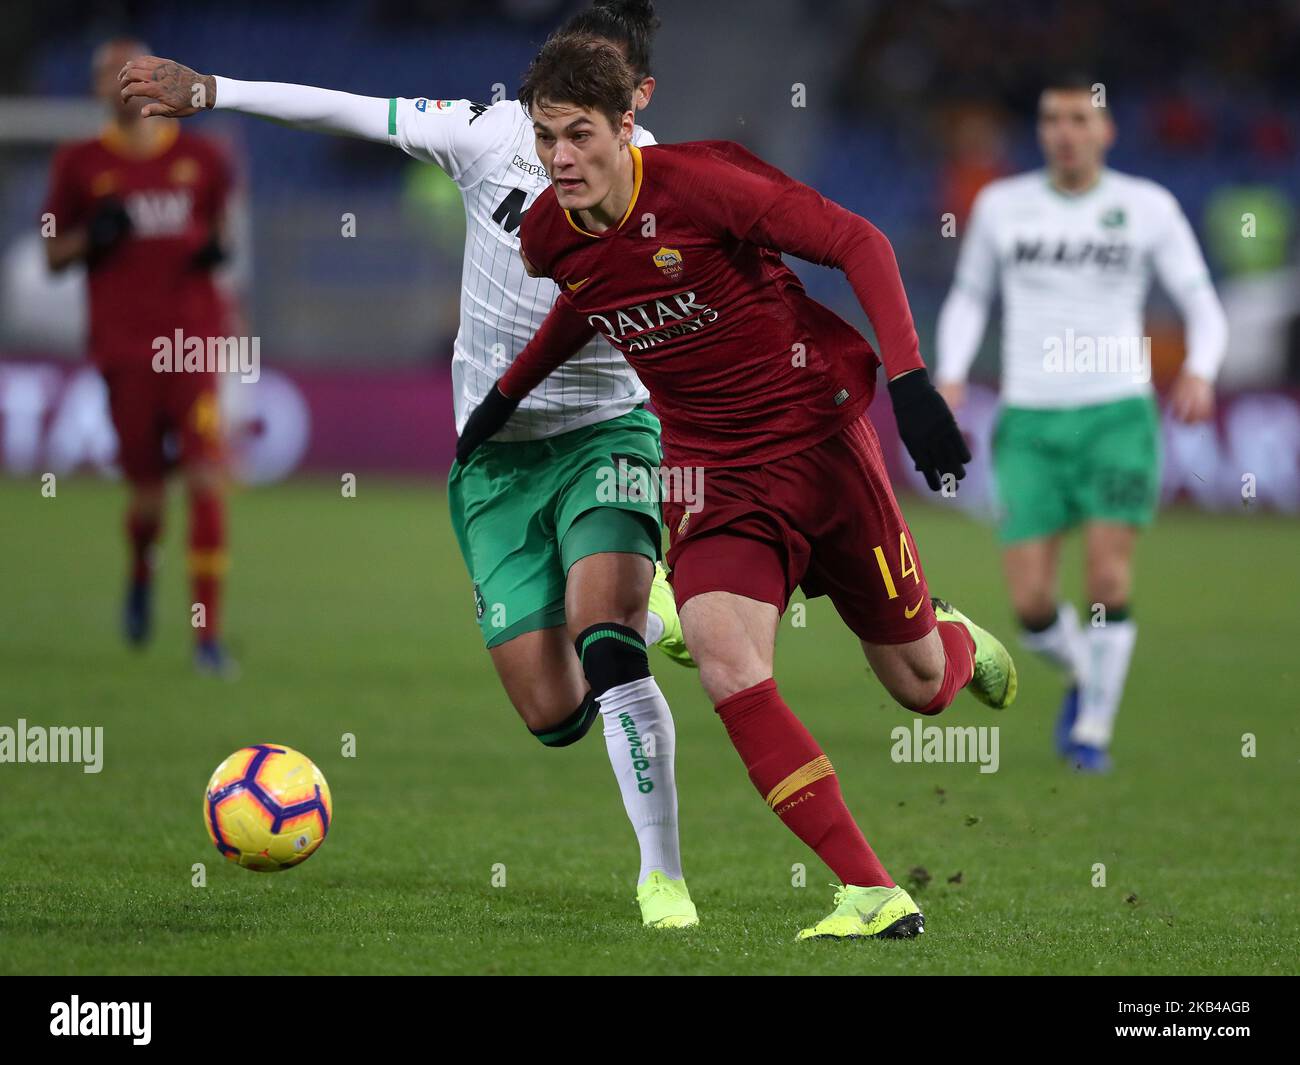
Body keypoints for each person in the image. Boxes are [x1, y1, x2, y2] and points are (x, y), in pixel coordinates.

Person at [119, 2, 699, 928]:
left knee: (610, 637)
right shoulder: (483, 137)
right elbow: (347, 107)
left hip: (607, 434)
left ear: (631, 106)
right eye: (550, 116)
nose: (562, 143)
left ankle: (661, 874)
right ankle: (629, 604)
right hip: (494, 459)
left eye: (590, 116)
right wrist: (215, 91)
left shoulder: (671, 183)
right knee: (552, 713)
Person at [457, 35, 1019, 941]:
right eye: (545, 136)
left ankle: (953, 639)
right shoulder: (549, 235)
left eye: (579, 135)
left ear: (626, 125)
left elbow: (857, 240)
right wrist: (505, 396)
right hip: (714, 474)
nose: (560, 157)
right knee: (725, 662)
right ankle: (872, 891)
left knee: (919, 687)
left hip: (822, 446)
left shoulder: (703, 184)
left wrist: (912, 383)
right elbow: (587, 298)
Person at [934, 76, 1228, 772]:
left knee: (1107, 582)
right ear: (1041, 132)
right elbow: (970, 296)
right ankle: (1082, 674)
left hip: (1117, 414)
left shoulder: (1146, 206)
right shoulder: (1004, 207)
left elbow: (1200, 299)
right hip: (1030, 417)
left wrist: (1202, 369)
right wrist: (948, 371)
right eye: (1052, 119)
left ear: (1105, 131)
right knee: (1032, 602)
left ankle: (1093, 729)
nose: (1065, 131)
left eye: (1078, 118)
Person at [44, 37, 237, 677]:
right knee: (149, 495)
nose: (125, 82)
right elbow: (52, 255)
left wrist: (215, 254)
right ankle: (138, 571)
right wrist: (88, 240)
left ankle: (207, 637)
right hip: (123, 352)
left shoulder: (204, 158)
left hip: (192, 347)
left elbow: (218, 234)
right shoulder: (78, 165)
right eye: (111, 74)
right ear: (100, 88)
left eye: (138, 71)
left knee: (208, 481)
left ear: (157, 80)